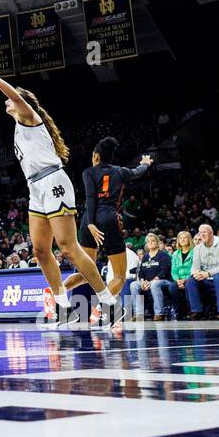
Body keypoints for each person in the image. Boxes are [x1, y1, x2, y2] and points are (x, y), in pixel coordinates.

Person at [0, 49, 110, 326]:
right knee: (40, 250)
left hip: (53, 181)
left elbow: (15, 96)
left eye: (11, 100)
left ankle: (109, 303)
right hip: (36, 187)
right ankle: (62, 308)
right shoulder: (17, 129)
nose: (6, 102)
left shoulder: (29, 116)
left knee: (69, 248)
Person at [61, 136, 152, 323]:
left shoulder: (88, 172)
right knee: (119, 275)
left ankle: (58, 294)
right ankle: (101, 309)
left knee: (87, 272)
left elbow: (91, 198)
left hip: (88, 220)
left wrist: (91, 223)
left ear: (95, 156)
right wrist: (145, 163)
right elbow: (138, 171)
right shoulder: (120, 171)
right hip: (109, 219)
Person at [184, 223, 219, 319]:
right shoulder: (198, 248)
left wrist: (208, 273)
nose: (202, 235)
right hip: (210, 279)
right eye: (200, 233)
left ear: (211, 233)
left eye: (205, 232)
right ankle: (197, 311)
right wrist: (196, 274)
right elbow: (194, 267)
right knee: (191, 280)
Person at [129, 233, 175, 320]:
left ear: (157, 243)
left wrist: (152, 281)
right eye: (148, 241)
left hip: (164, 281)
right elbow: (141, 272)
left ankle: (159, 313)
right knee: (134, 285)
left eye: (153, 241)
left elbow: (164, 271)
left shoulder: (163, 255)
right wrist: (142, 281)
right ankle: (139, 314)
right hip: (148, 282)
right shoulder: (145, 256)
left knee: (155, 284)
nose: (150, 243)